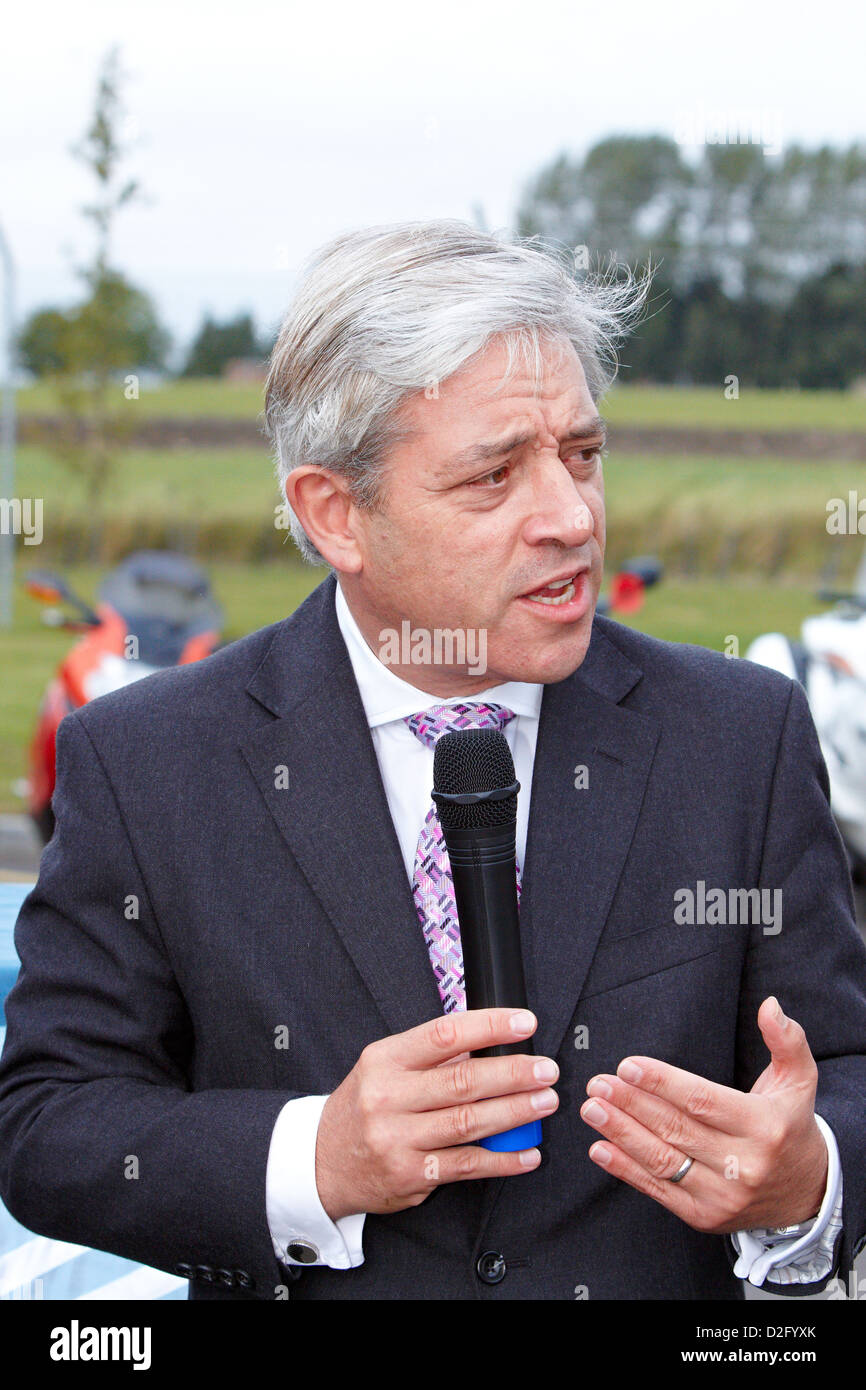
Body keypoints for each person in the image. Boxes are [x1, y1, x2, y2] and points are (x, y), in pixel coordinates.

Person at [1, 221, 865, 1301]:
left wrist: (807, 1173)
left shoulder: (739, 736)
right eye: (493, 476)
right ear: (336, 514)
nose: (568, 516)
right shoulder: (148, 763)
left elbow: (840, 1068)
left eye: (581, 456)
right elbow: (51, 1122)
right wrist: (316, 1158)